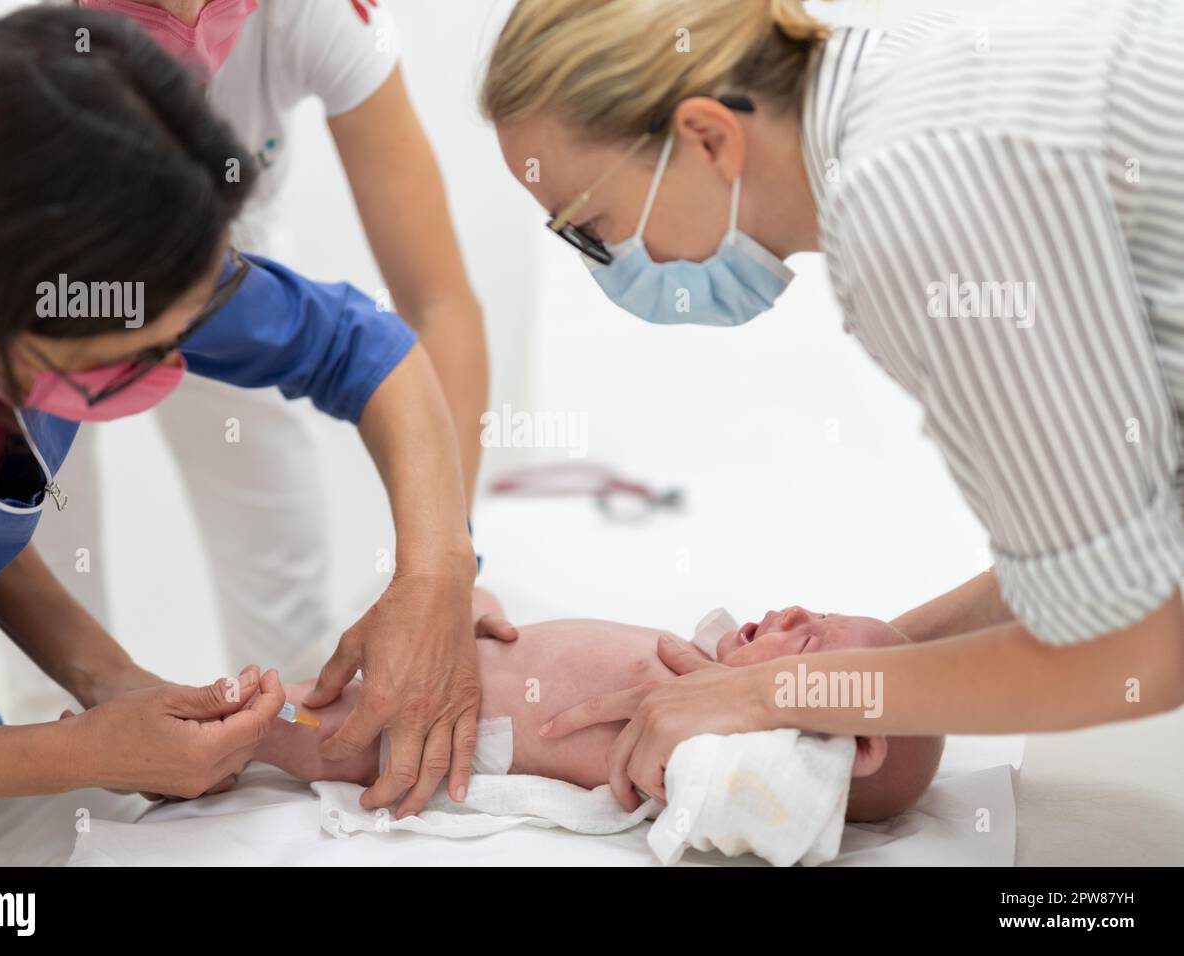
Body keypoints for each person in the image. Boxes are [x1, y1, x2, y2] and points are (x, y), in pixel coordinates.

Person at [478, 0, 1184, 807]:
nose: (605, 268)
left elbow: (1132, 652)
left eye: (592, 228)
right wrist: (835, 668)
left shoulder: (911, 205)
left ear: (708, 136)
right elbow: (1135, 545)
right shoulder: (905, 87)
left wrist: (761, 697)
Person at [0, 6, 478, 863]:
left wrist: (438, 575)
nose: (172, 363)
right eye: (138, 351)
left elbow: (368, 352)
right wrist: (77, 752)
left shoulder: (124, 261)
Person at [252, 588, 944, 823]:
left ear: (848, 747)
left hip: (423, 732)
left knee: (292, 721)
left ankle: (244, 734)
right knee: (474, 598)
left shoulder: (722, 757)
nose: (789, 610)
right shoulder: (704, 675)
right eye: (813, 610)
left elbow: (747, 803)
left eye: (808, 638)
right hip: (477, 646)